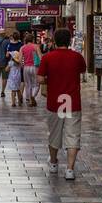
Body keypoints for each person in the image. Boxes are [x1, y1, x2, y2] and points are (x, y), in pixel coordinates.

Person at [38, 28, 86, 180]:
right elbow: (82, 71)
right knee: (73, 136)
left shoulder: (48, 57)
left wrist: (49, 80)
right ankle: (70, 169)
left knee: (54, 134)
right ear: (69, 40)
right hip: (72, 102)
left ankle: (53, 163)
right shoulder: (77, 57)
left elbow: (39, 79)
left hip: (55, 102)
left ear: (55, 41)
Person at [20, 30, 41, 106]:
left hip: (26, 67)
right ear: (33, 39)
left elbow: (20, 60)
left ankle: (28, 100)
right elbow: (40, 58)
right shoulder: (36, 46)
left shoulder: (22, 48)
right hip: (35, 67)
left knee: (28, 84)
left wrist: (22, 66)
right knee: (37, 84)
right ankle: (33, 96)